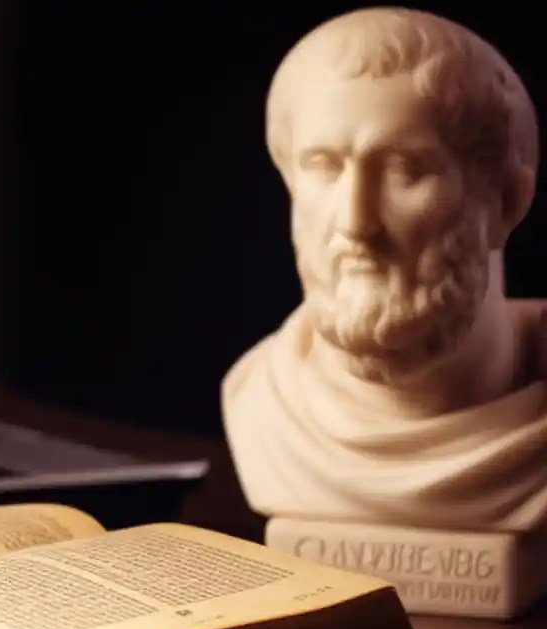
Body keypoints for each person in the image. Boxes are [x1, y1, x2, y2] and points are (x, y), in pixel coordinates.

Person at [222, 6, 547, 532]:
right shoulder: (264, 409)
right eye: (323, 167)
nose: (355, 222)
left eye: (404, 170)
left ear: (506, 202)